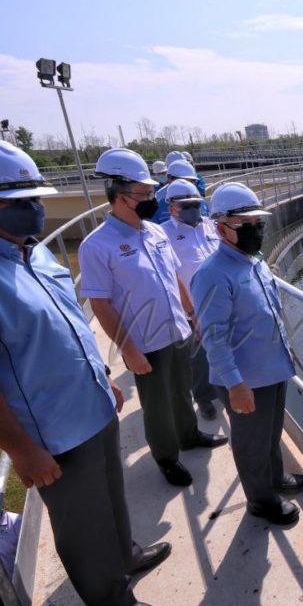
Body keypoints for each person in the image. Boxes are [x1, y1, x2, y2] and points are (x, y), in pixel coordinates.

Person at [0, 139, 167, 606]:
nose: (33, 209)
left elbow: (67, 327)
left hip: (90, 406)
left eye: (35, 198)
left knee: (112, 495)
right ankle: (111, 603)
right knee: (82, 522)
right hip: (51, 431)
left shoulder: (32, 253)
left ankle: (126, 555)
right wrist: (22, 451)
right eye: (17, 202)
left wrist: (103, 380)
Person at [79, 147, 226, 488]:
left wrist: (193, 315)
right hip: (144, 342)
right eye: (143, 194)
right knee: (157, 405)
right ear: (119, 196)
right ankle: (167, 457)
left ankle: (189, 435)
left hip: (178, 330)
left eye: (150, 193)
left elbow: (175, 277)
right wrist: (128, 350)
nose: (150, 199)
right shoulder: (97, 245)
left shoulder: (155, 232)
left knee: (181, 391)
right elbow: (100, 304)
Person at [191, 183, 303, 526]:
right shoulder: (213, 274)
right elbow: (213, 337)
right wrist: (235, 385)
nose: (255, 230)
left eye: (258, 223)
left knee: (270, 432)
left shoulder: (253, 261)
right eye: (246, 224)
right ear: (221, 228)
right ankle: (261, 500)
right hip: (245, 379)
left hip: (271, 368)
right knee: (251, 441)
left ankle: (274, 478)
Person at [160, 179, 220, 419]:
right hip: (193, 306)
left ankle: (227, 388)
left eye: (195, 204)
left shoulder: (212, 226)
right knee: (199, 357)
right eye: (185, 205)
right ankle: (204, 398)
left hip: (222, 299)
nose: (192, 209)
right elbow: (169, 275)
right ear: (172, 207)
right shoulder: (164, 234)